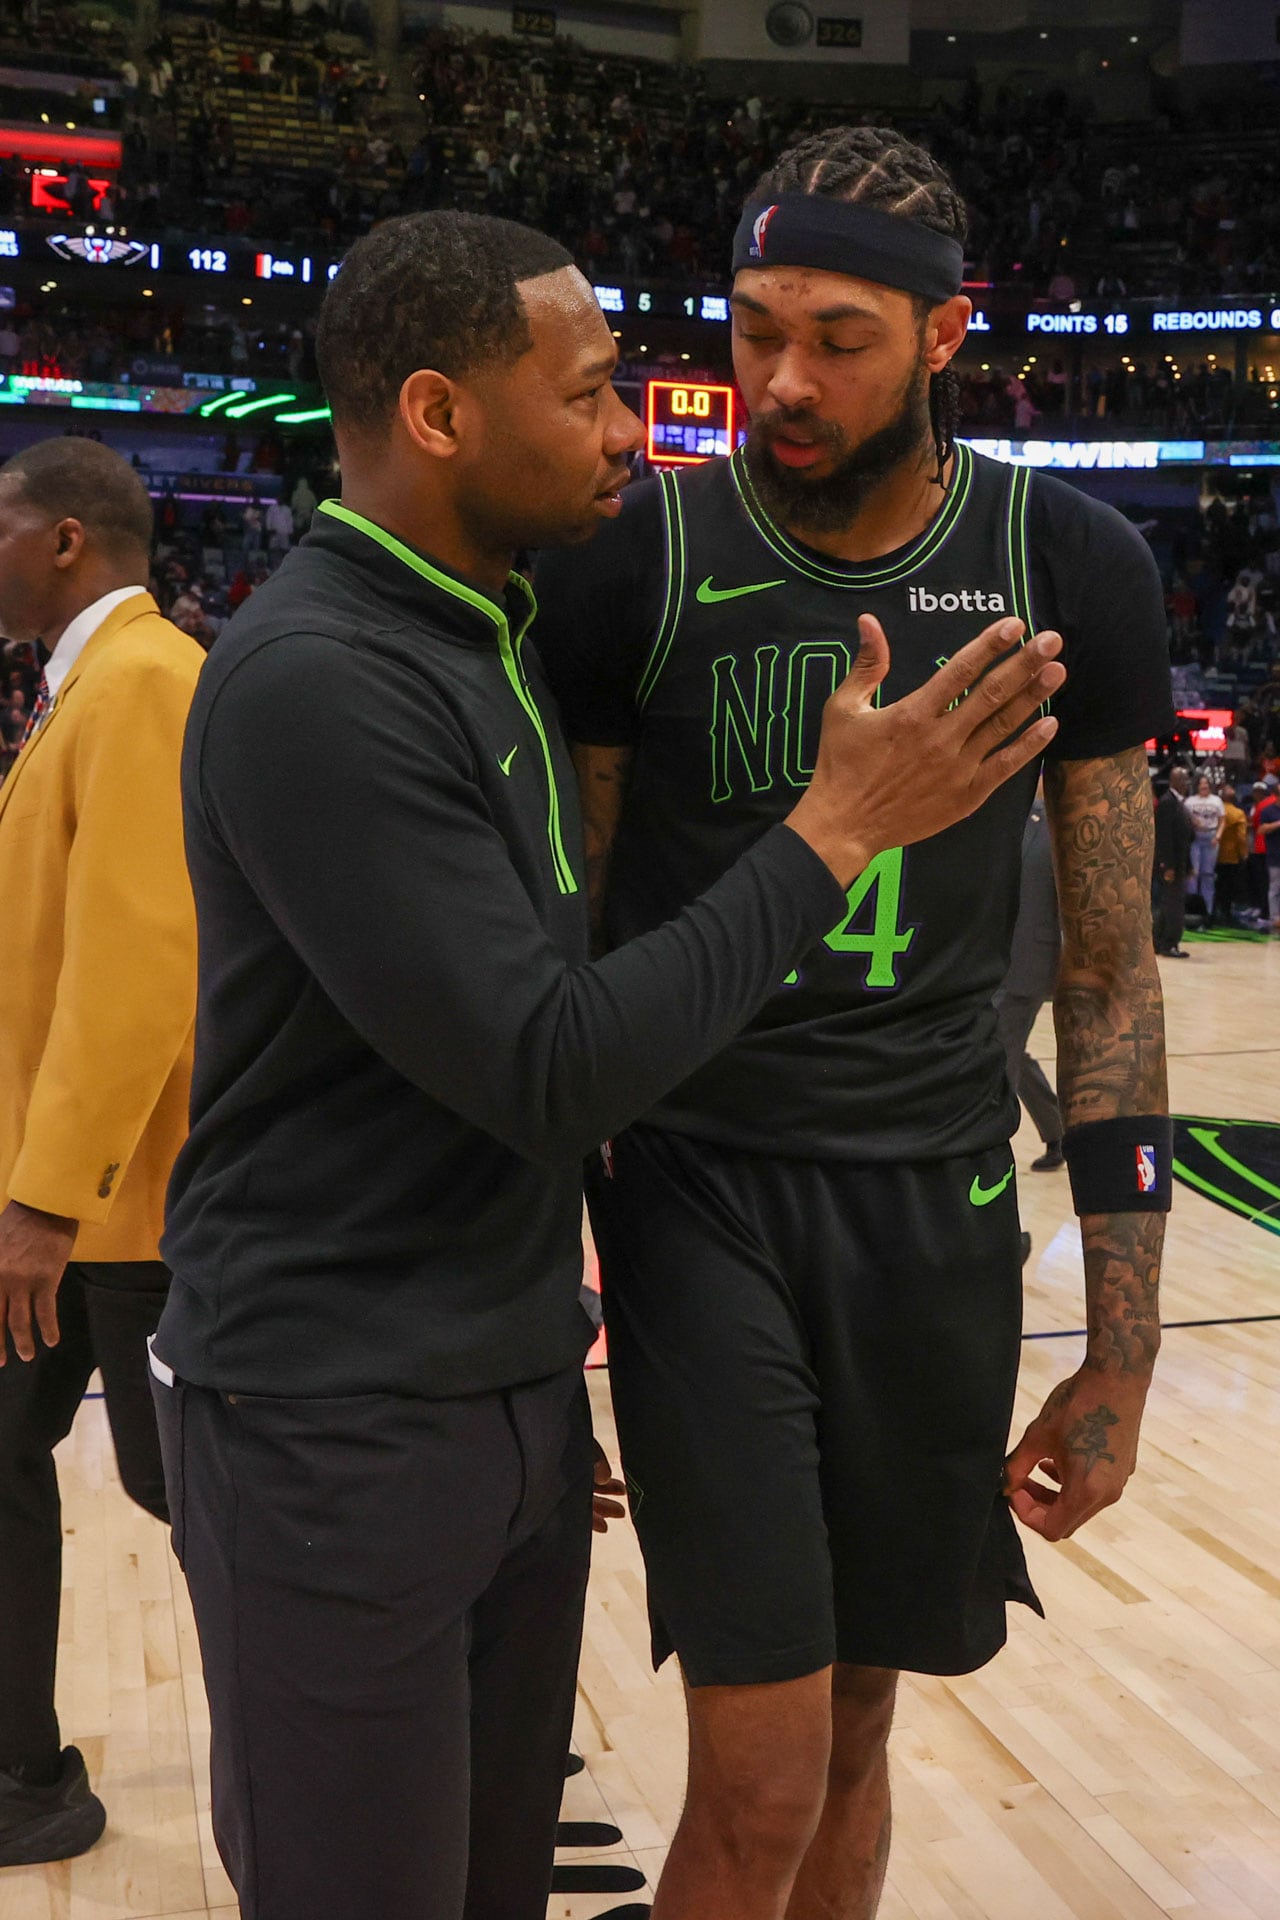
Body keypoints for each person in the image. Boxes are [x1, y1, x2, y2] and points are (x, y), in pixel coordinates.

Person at [150, 210, 1057, 1920]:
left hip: (496, 1384)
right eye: (586, 393)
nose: (636, 428)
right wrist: (834, 829)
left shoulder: (482, 627)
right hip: (332, 1417)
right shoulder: (317, 680)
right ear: (437, 414)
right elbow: (553, 1064)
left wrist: (551, 1362)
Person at [533, 126, 1176, 1920]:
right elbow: (555, 958)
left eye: (838, 337)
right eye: (751, 331)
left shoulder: (1071, 566)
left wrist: (1122, 1352)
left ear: (948, 335)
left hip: (940, 1211)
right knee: (760, 1776)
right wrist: (533, 1282)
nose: (782, 381)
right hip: (699, 1194)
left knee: (864, 1727)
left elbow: (1112, 982)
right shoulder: (631, 565)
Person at [0, 438, 202, 1867]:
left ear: (64, 539)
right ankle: (20, 1770)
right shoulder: (96, 687)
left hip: (116, 1203)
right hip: (81, 1198)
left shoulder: (139, 686)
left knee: (198, 1489)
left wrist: (45, 1203)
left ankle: (454, 1712)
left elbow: (139, 965)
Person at [994, 790, 1064, 1171]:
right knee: (1010, 1053)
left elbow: (1067, 905)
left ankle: (987, 1156)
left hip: (1029, 964)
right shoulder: (993, 822)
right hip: (987, 962)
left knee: (1000, 1057)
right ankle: (1056, 1132)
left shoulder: (1052, 827)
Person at [1154, 767, 1195, 956]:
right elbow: (1164, 837)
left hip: (1180, 862)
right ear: (1175, 781)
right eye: (1184, 780)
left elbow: (1184, 837)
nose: (1187, 784)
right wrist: (1167, 865)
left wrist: (1189, 865)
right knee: (1173, 905)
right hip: (1171, 864)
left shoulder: (1178, 802)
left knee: (1168, 904)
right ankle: (1169, 943)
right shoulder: (1168, 803)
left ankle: (1160, 941)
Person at [1183, 771, 1224, 916]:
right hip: (1195, 837)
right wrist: (1193, 822)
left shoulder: (1216, 801)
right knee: (1193, 874)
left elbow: (1222, 820)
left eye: (1206, 783)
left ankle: (1208, 911)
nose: (1203, 786)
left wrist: (1218, 836)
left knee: (1208, 875)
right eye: (1201, 784)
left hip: (1211, 836)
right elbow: (1185, 819)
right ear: (1197, 786)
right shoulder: (1190, 801)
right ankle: (1192, 911)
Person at [1213, 783, 1248, 927]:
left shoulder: (1216, 811)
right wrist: (1244, 854)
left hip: (1214, 853)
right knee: (1229, 887)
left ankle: (1213, 913)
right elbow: (1241, 837)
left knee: (1215, 885)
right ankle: (1226, 915)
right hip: (1231, 856)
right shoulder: (1238, 813)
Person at [1255, 778, 1280, 929]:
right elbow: (1261, 830)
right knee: (1275, 888)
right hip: (1275, 856)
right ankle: (1275, 917)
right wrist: (1278, 824)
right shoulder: (1268, 811)